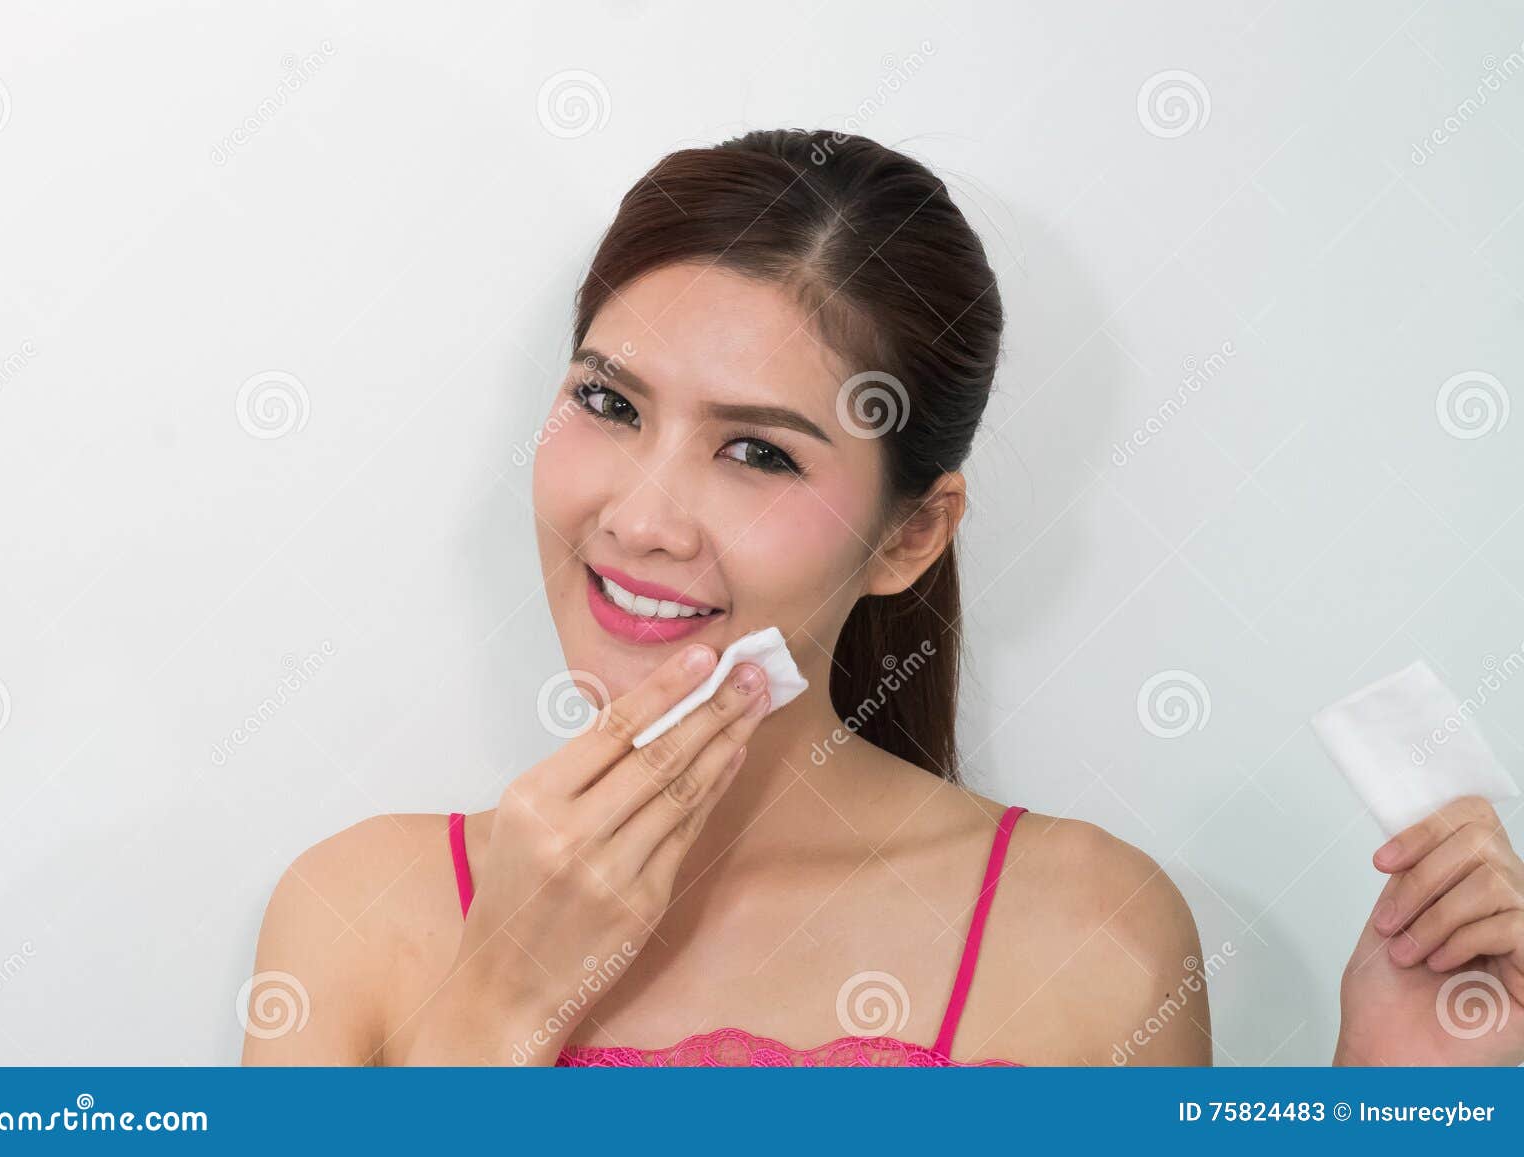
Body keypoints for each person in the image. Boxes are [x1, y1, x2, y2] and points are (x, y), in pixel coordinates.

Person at [242, 129, 1524, 1067]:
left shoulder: (1091, 927)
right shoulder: (357, 914)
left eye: (758, 451)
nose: (639, 516)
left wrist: (1411, 1105)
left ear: (912, 532)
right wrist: (499, 997)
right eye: (608, 401)